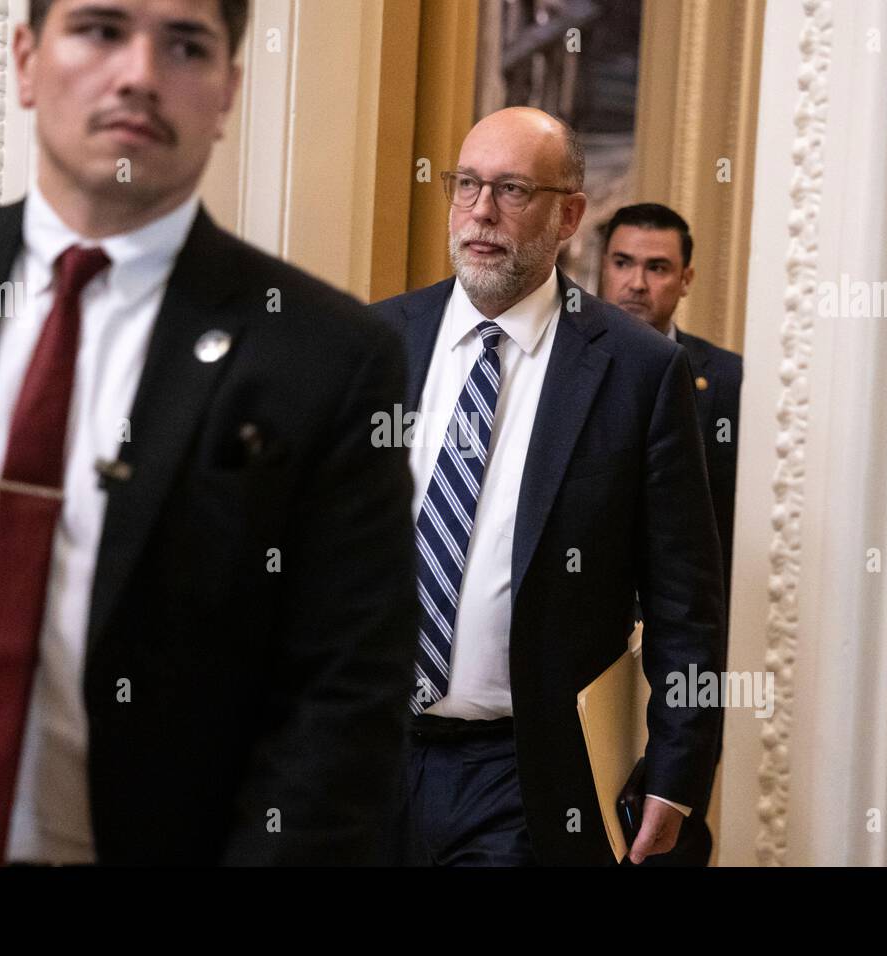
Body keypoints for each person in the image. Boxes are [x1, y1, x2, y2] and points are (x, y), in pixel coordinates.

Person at [0, 0, 417, 866]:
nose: (141, 75)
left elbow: (343, 701)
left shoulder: (326, 359)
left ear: (227, 90)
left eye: (186, 44)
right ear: (28, 59)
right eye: (102, 30)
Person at [372, 108, 726, 866]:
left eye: (511, 190)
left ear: (568, 213)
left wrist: (676, 774)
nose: (481, 213)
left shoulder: (637, 372)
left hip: (524, 775)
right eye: (466, 185)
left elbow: (684, 600)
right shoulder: (376, 341)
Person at [599, 203, 742, 605]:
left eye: (657, 268)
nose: (637, 283)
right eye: (623, 263)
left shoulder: (729, 379)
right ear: (604, 266)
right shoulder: (556, 363)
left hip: (681, 609)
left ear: (685, 279)